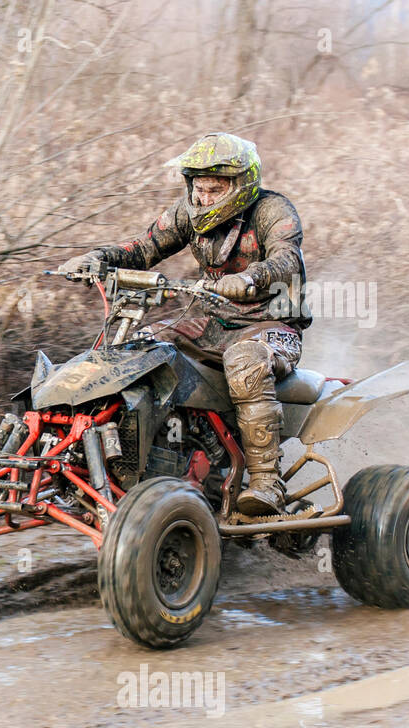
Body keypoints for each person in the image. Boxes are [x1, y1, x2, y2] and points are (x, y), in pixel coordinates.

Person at [59, 132, 310, 516]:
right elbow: (143, 249)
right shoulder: (187, 212)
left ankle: (266, 483)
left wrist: (248, 279)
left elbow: (285, 258)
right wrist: (97, 258)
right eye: (199, 188)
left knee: (245, 361)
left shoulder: (273, 212)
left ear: (240, 184)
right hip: (211, 323)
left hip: (271, 327)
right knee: (138, 351)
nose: (204, 198)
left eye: (214, 189)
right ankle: (119, 469)